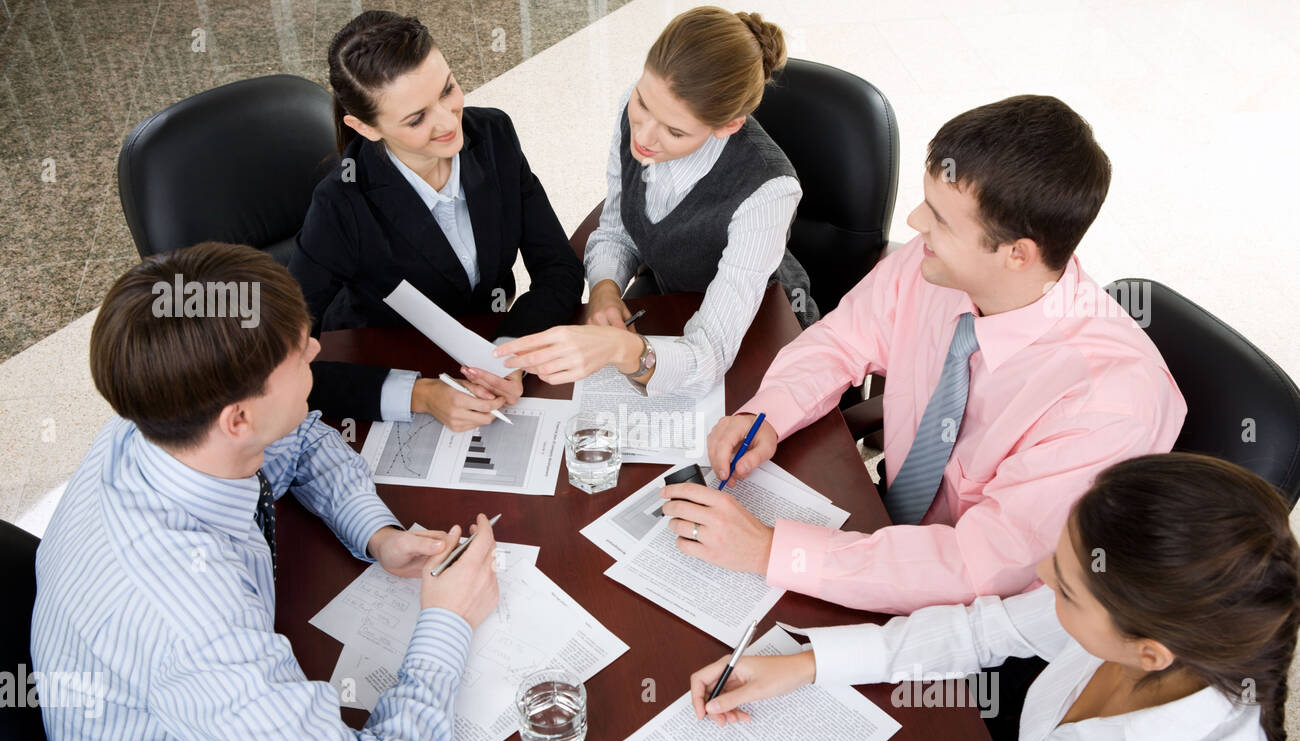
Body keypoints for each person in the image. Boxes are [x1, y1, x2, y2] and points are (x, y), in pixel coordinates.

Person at [31, 242, 499, 741]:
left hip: (221, 694)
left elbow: (298, 437)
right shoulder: (188, 617)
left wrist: (376, 534)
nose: (315, 351)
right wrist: (449, 620)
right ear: (237, 420)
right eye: (300, 353)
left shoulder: (164, 423)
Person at [661, 94, 1187, 614]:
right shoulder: (938, 264)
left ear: (1017, 254)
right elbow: (841, 339)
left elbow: (977, 566)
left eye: (939, 218)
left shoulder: (1111, 403)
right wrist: (766, 414)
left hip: (980, 618)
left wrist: (771, 551)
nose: (913, 223)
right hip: (881, 530)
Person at [690, 454, 1299, 741]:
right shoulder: (1151, 631)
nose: (1038, 576)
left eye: (1063, 586)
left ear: (1149, 653)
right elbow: (983, 630)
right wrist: (806, 664)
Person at [495, 6, 816, 397]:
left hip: (759, 328)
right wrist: (605, 287)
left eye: (675, 131)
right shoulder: (631, 108)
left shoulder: (770, 190)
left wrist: (624, 350)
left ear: (728, 126)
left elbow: (710, 353)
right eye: (643, 104)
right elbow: (617, 225)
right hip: (672, 300)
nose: (643, 137)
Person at [289, 10, 584, 428]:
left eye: (448, 90)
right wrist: (417, 395)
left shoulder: (494, 135)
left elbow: (559, 268)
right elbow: (278, 364)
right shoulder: (340, 204)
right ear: (365, 128)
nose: (448, 122)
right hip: (385, 361)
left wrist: (508, 353)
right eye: (416, 119)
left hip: (491, 349)